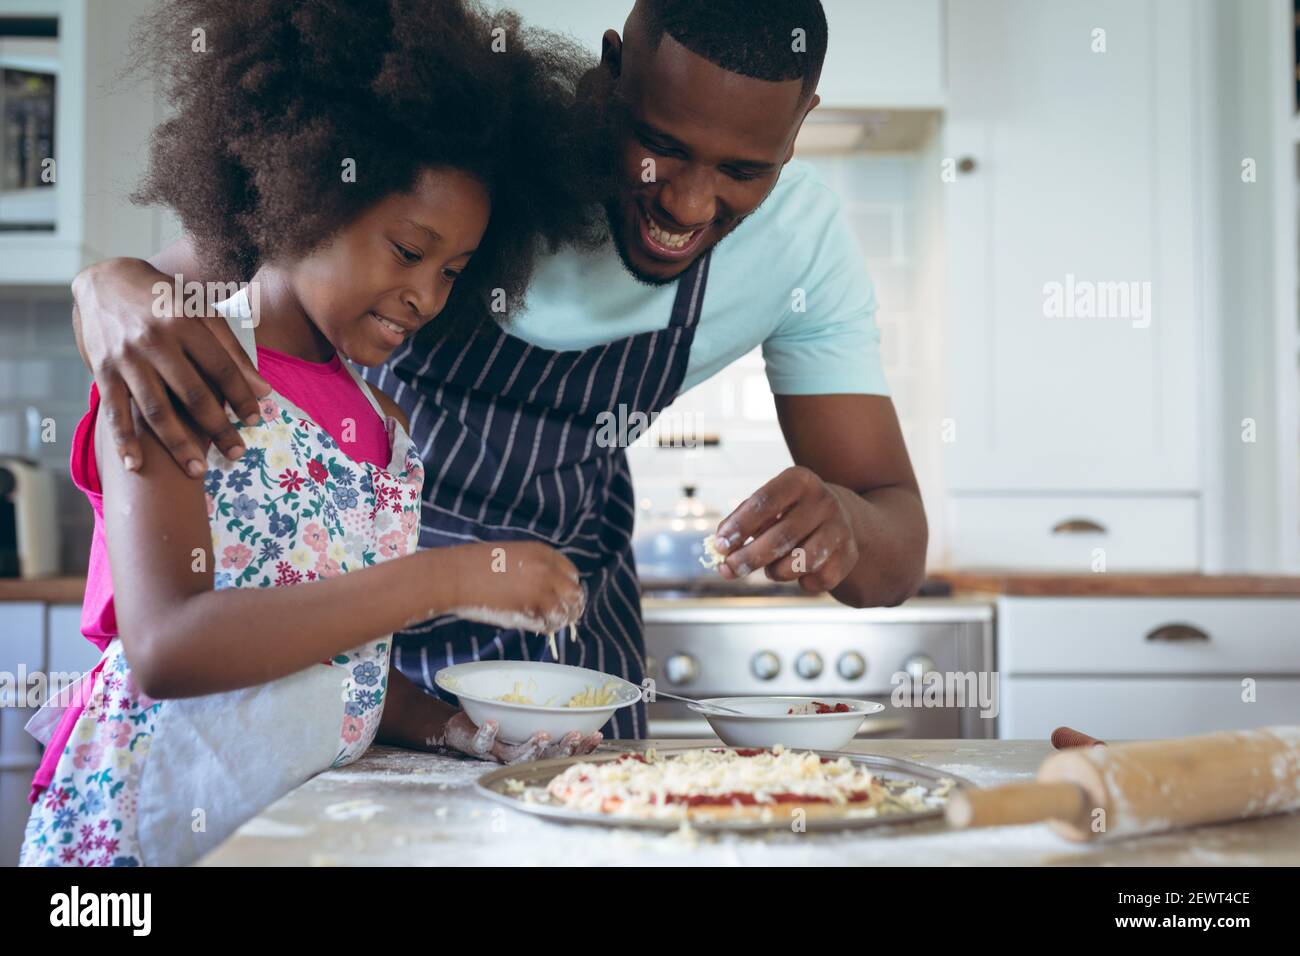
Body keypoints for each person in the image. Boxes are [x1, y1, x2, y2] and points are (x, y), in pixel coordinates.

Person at [70, 0, 929, 742]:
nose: (688, 204)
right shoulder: (479, 160)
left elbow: (896, 554)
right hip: (354, 668)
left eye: (744, 170)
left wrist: (846, 521)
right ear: (609, 79)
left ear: (802, 123)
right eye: (658, 148)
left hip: (565, 664)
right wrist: (102, 284)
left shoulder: (802, 246)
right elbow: (201, 274)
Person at [21, 0, 600, 867]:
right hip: (139, 836)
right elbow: (169, 648)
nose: (427, 297)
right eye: (407, 251)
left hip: (291, 836)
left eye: (453, 271)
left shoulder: (383, 428)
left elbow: (344, 666)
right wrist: (443, 578)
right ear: (309, 193)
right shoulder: (178, 363)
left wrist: (454, 729)